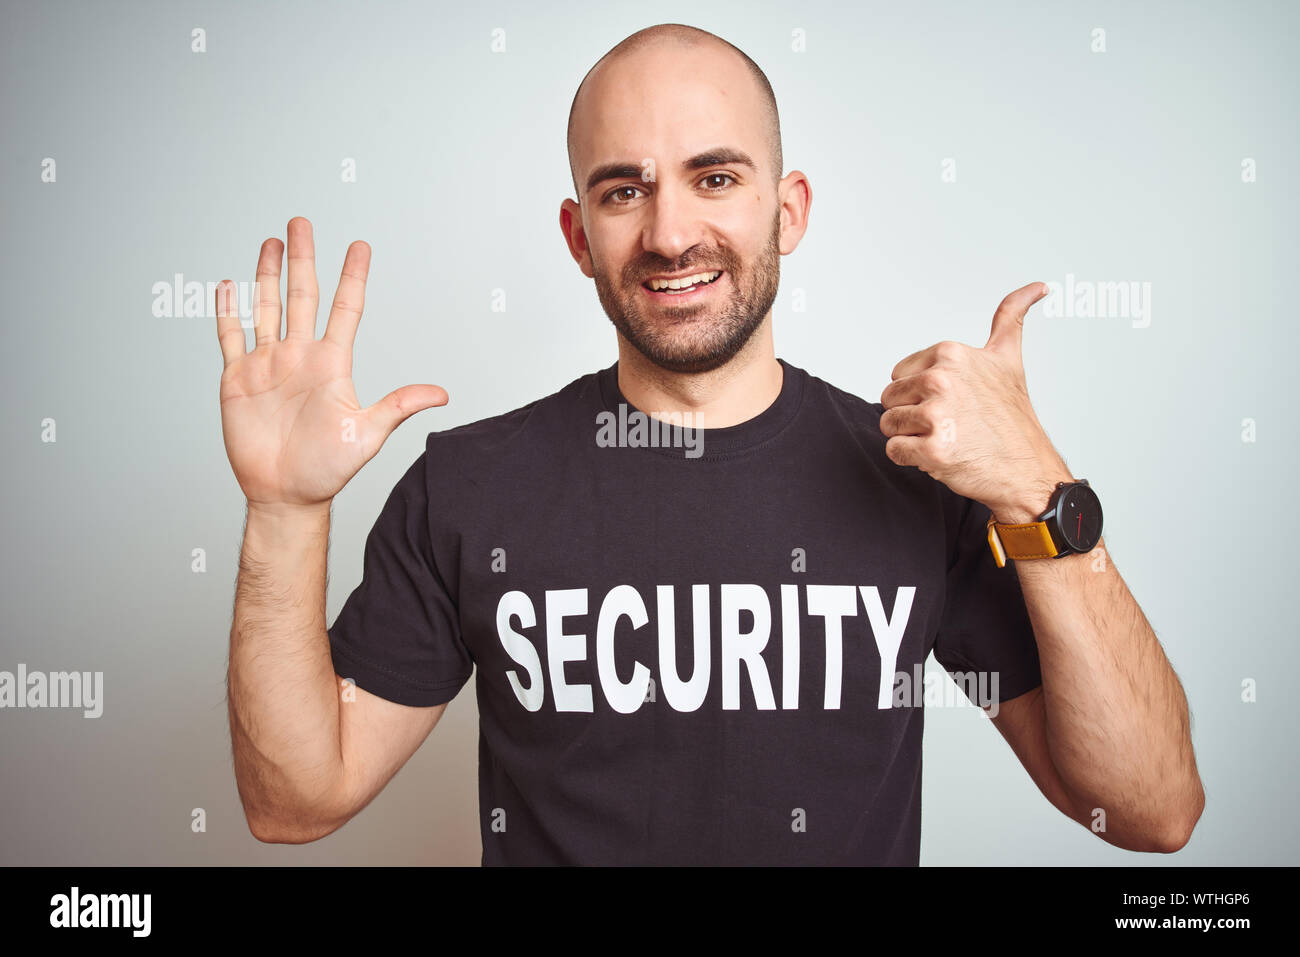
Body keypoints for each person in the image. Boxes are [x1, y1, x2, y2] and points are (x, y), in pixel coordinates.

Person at [217, 23, 1204, 865]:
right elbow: (296, 802)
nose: (669, 232)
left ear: (787, 212)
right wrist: (284, 513)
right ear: (577, 238)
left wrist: (1042, 491)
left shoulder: (916, 476)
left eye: (714, 176)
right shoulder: (467, 488)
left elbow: (1149, 811)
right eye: (622, 191)